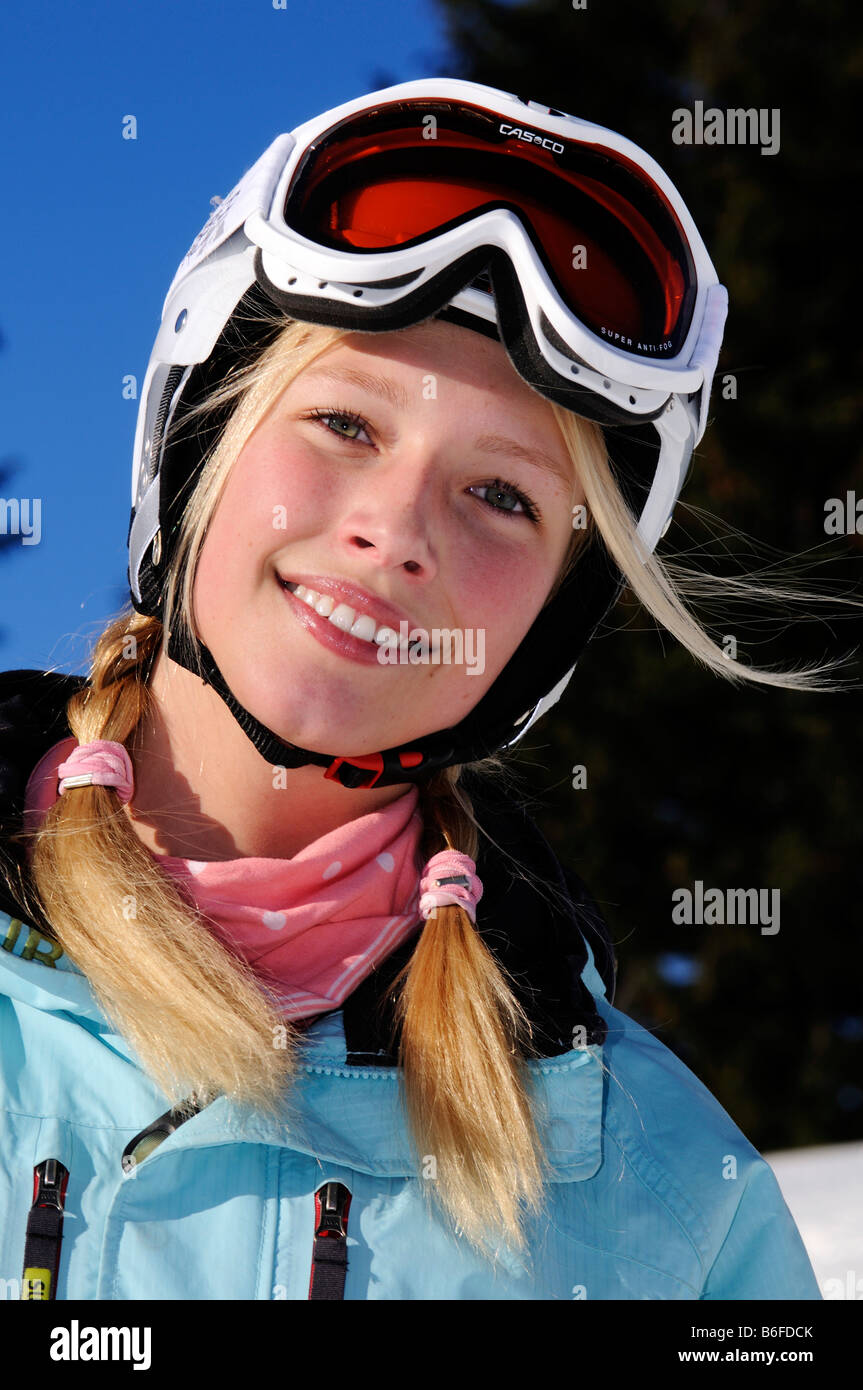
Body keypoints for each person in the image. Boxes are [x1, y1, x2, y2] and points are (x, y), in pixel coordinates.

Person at [0, 78, 829, 1301]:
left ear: (547, 628)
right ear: (198, 442)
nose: (394, 533)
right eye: (345, 422)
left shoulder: (665, 1200)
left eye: (500, 496)